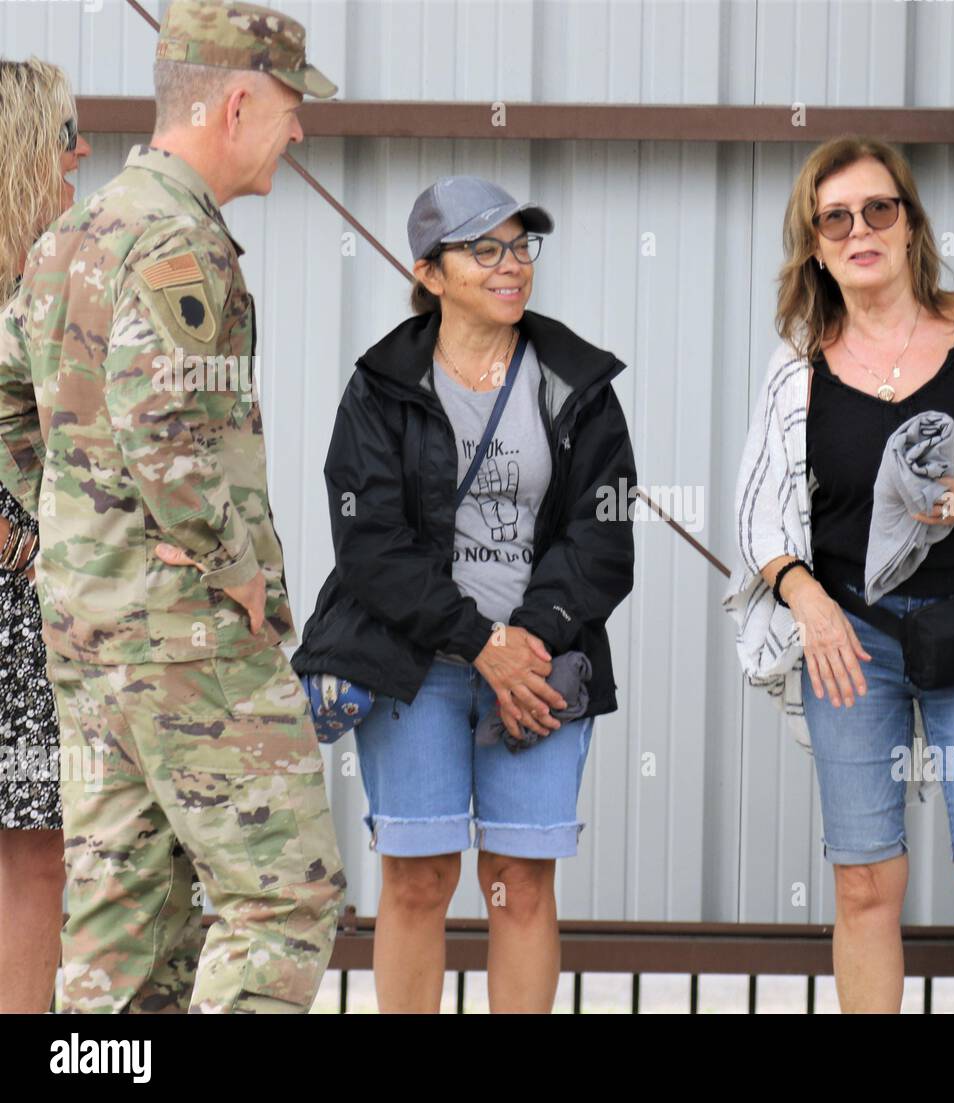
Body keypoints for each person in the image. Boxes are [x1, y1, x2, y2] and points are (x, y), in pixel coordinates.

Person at [0, 0, 345, 1013]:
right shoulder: (175, 239)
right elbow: (165, 432)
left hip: (91, 632)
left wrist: (64, 517)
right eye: (289, 106)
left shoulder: (73, 232)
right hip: (188, 632)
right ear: (237, 101)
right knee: (283, 894)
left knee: (121, 921)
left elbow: (8, 396)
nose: (298, 129)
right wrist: (230, 562)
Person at [724, 136, 954, 1013]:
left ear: (910, 225)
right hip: (853, 642)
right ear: (816, 244)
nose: (860, 230)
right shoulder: (799, 371)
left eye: (878, 210)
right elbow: (758, 520)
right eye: (836, 218)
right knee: (862, 883)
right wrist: (806, 596)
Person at [292, 176, 637, 1013]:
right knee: (418, 879)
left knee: (518, 879)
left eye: (521, 246)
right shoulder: (380, 386)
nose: (511, 265)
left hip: (541, 664)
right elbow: (370, 542)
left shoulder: (576, 382)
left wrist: (530, 640)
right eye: (484, 250)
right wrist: (481, 642)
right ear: (431, 273)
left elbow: (604, 535)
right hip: (416, 663)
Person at [0, 57, 91, 1014]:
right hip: (22, 598)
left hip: (40, 617)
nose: (84, 153)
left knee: (38, 848)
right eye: (68, 134)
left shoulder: (59, 274)